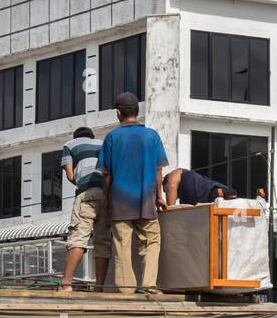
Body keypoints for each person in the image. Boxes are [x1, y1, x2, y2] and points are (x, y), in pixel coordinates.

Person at [97, 92, 169, 293]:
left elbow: (107, 174)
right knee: (152, 242)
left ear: (118, 113)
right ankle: (149, 285)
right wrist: (159, 196)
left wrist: (106, 198)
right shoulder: (152, 135)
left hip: (120, 202)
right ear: (137, 112)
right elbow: (158, 169)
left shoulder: (112, 137)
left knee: (122, 247)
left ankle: (127, 290)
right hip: (146, 200)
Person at [59, 127, 110, 292]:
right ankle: (99, 287)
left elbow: (70, 175)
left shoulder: (70, 145)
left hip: (86, 193)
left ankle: (66, 285)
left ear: (76, 136)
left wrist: (82, 183)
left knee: (78, 238)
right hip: (107, 193)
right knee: (103, 241)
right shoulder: (102, 144)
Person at [163, 167, 231, 207]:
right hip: (211, 189)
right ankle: (224, 193)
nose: (175, 196)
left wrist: (169, 212)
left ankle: (222, 193)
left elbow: (171, 186)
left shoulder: (174, 174)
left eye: (166, 191)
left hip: (201, 189)